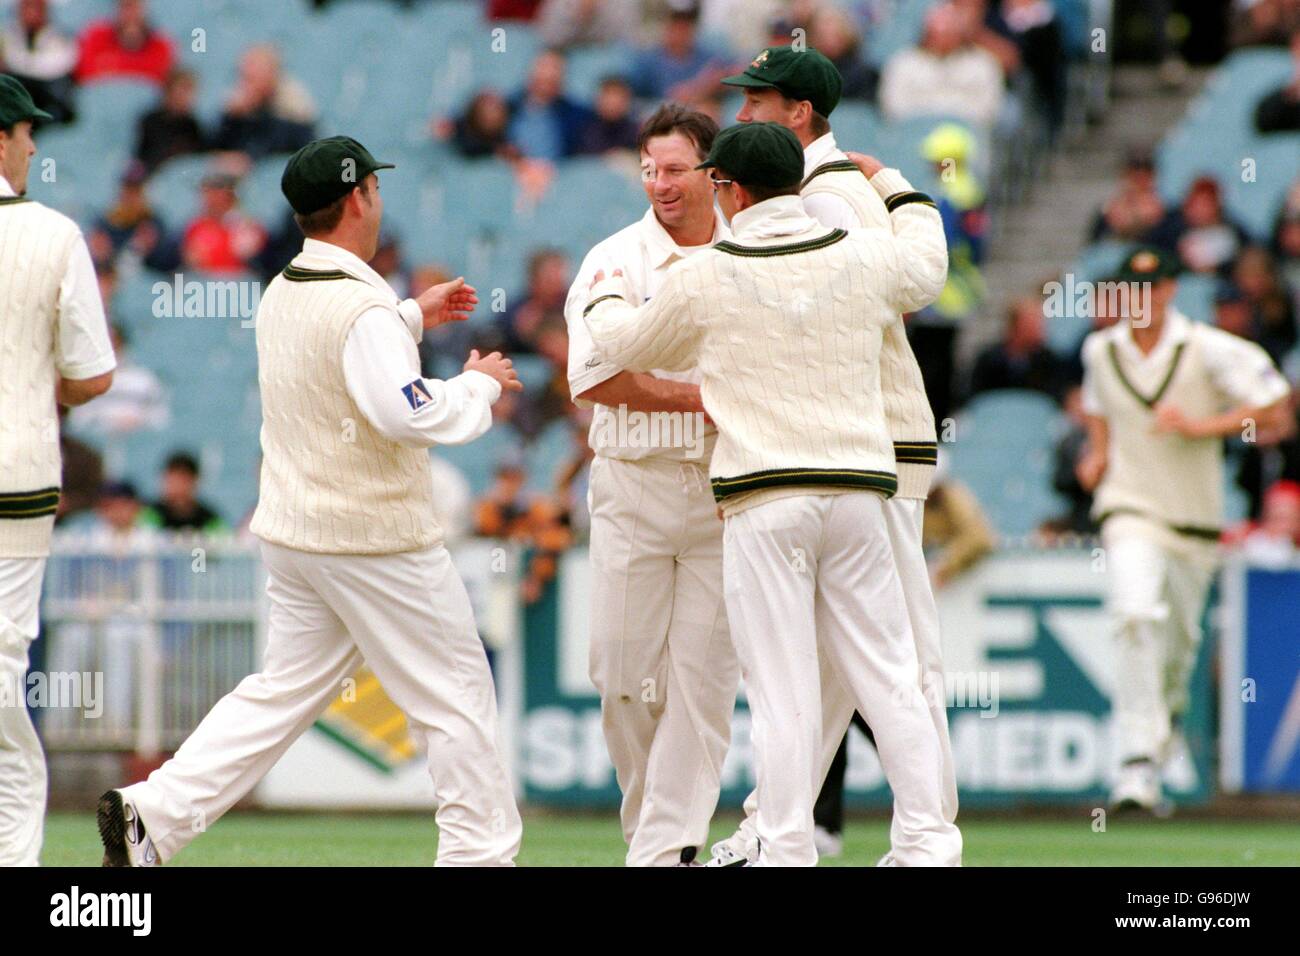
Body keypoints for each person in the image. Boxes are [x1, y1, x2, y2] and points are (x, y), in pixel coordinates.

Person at [97, 135, 525, 867]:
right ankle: (480, 857)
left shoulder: (284, 288)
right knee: (454, 697)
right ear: (360, 197)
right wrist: (478, 384)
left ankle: (151, 816)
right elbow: (406, 411)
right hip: (375, 538)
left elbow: (343, 349)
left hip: (298, 537)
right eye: (377, 189)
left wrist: (410, 316)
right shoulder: (361, 308)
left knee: (279, 693)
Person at [582, 121, 960, 866]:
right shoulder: (861, 255)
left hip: (765, 498)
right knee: (889, 677)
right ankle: (928, 843)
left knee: (784, 688)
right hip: (859, 490)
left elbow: (623, 345)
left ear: (729, 189)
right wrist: (896, 185)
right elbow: (928, 268)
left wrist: (599, 303)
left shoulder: (708, 274)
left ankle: (787, 848)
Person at [711, 44, 956, 866]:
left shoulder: (837, 190)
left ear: (801, 113)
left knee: (900, 661)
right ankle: (771, 829)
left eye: (759, 100)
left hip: (869, 440)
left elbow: (910, 283)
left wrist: (895, 184)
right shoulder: (817, 186)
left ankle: (924, 840)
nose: (743, 111)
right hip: (848, 448)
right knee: (837, 671)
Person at [563, 103, 737, 867]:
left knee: (703, 686)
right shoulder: (613, 260)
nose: (661, 185)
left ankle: (665, 852)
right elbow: (596, 379)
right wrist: (701, 397)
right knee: (622, 676)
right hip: (633, 488)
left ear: (712, 171)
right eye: (650, 170)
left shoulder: (749, 252)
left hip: (728, 490)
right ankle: (654, 837)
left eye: (675, 169)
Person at [1075, 246, 1291, 813]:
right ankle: (1137, 764)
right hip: (1129, 509)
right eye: (1130, 290)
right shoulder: (1100, 350)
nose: (1139, 301)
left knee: (1178, 653)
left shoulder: (1208, 349)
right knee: (1134, 614)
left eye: (1151, 289)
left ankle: (1159, 733)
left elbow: (1274, 412)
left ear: (1170, 291)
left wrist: (1203, 426)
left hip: (1195, 524)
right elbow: (1099, 412)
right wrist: (1096, 456)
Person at [0, 75, 116, 866]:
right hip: (16, 479)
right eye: (23, 131)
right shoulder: (52, 233)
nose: (34, 144)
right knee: (6, 680)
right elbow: (92, 374)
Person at [878, 2, 1005, 128]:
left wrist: (950, 116)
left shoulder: (983, 64)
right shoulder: (903, 63)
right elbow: (893, 108)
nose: (941, 39)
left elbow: (988, 111)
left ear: (960, 34)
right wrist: (928, 117)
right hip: (912, 136)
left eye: (948, 33)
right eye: (936, 33)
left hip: (967, 137)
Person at [212, 44, 316, 161]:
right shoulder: (235, 106)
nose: (247, 84)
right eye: (245, 76)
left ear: (272, 74)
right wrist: (233, 117)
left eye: (254, 76)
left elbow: (279, 141)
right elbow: (216, 146)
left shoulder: (292, 103)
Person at [0, 0, 78, 124]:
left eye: (37, 6)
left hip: (49, 99)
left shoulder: (62, 38)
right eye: (27, 6)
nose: (32, 12)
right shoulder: (5, 37)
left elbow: (56, 66)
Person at [74, 0, 174, 87]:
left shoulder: (161, 46)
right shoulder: (95, 37)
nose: (130, 13)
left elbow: (162, 85)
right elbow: (85, 77)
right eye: (126, 6)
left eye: (135, 6)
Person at [133, 67, 208, 173]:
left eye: (190, 91)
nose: (186, 97)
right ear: (169, 91)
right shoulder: (151, 121)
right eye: (183, 90)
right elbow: (146, 156)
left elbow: (201, 154)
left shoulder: (191, 124)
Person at [148, 452, 224, 533]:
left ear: (194, 481)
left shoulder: (210, 520)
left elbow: (223, 539)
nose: (176, 486)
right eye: (172, 480)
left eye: (182, 480)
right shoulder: (151, 514)